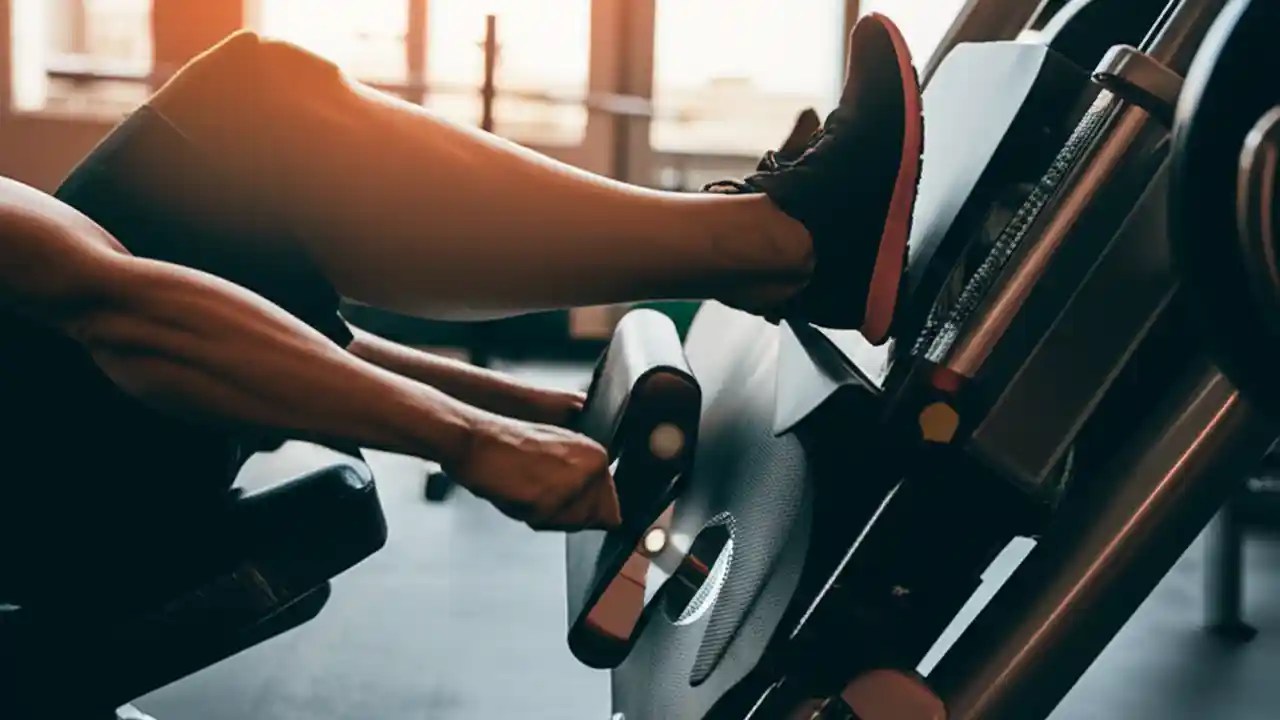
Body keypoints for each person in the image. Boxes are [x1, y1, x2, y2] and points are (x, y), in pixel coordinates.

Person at [0, 14, 922, 608]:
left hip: (51, 474)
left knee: (209, 153)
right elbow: (122, 314)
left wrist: (530, 411)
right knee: (250, 105)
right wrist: (467, 441)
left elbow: (269, 314)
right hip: (45, 507)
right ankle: (777, 245)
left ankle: (765, 247)